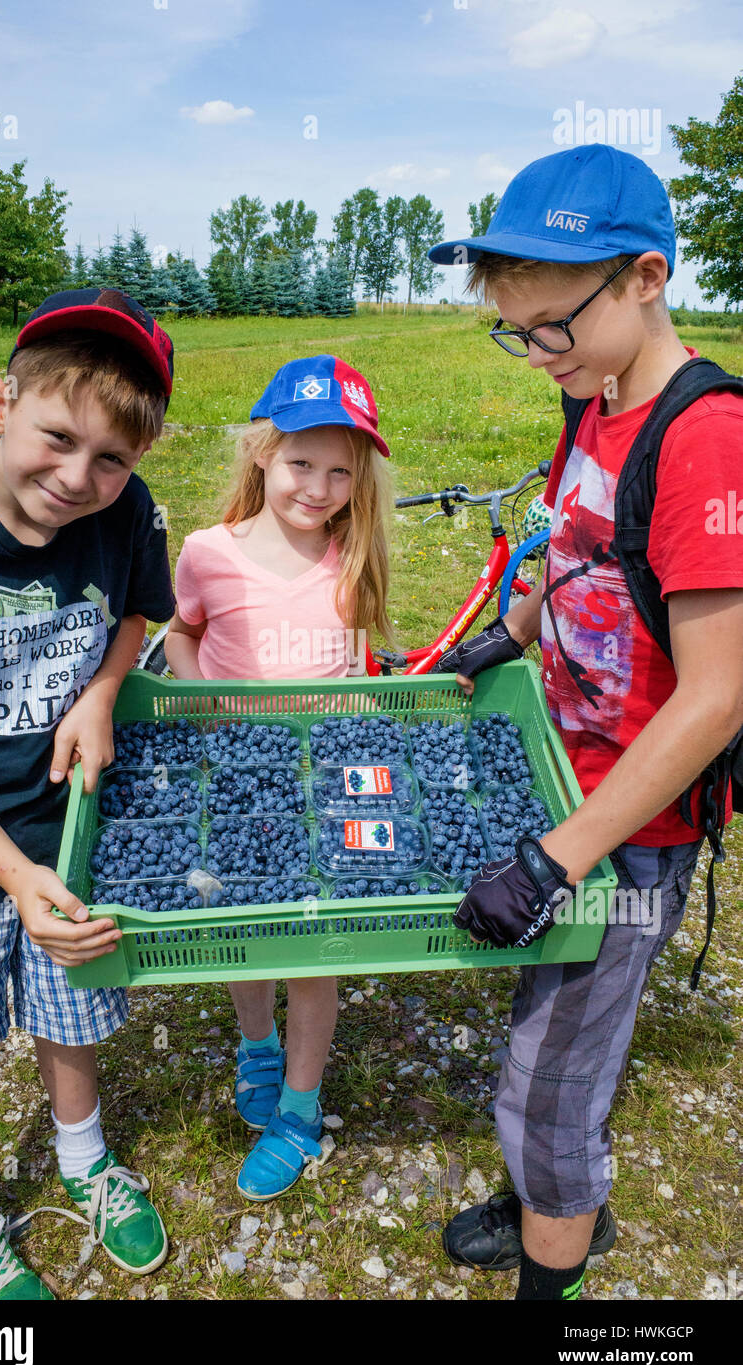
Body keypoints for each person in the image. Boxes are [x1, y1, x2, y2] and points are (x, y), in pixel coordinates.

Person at [426, 145, 743, 1300]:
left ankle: (556, 1263)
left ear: (646, 277)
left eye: (551, 325)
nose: (537, 354)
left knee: (551, 1086)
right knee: (546, 1023)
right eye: (517, 331)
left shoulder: (704, 434)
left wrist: (561, 855)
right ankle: (544, 1197)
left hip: (627, 834)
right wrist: (509, 631)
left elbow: (716, 694)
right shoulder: (594, 400)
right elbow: (574, 544)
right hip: (563, 779)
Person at [0, 288, 178, 1299]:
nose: (78, 477)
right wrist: (11, 876)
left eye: (111, 459)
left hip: (71, 827)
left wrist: (102, 692)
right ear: (2, 400)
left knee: (74, 1004)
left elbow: (138, 611)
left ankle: (84, 1154)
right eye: (58, 437)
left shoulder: (129, 512)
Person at [164, 354, 395, 1199]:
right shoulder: (205, 553)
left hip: (328, 778)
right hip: (239, 773)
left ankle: (300, 1108)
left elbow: (359, 662)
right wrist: (204, 697)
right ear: (263, 451)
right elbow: (183, 637)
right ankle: (255, 1043)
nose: (319, 486)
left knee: (313, 943)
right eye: (302, 462)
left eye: (341, 471)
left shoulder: (353, 553)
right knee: (246, 919)